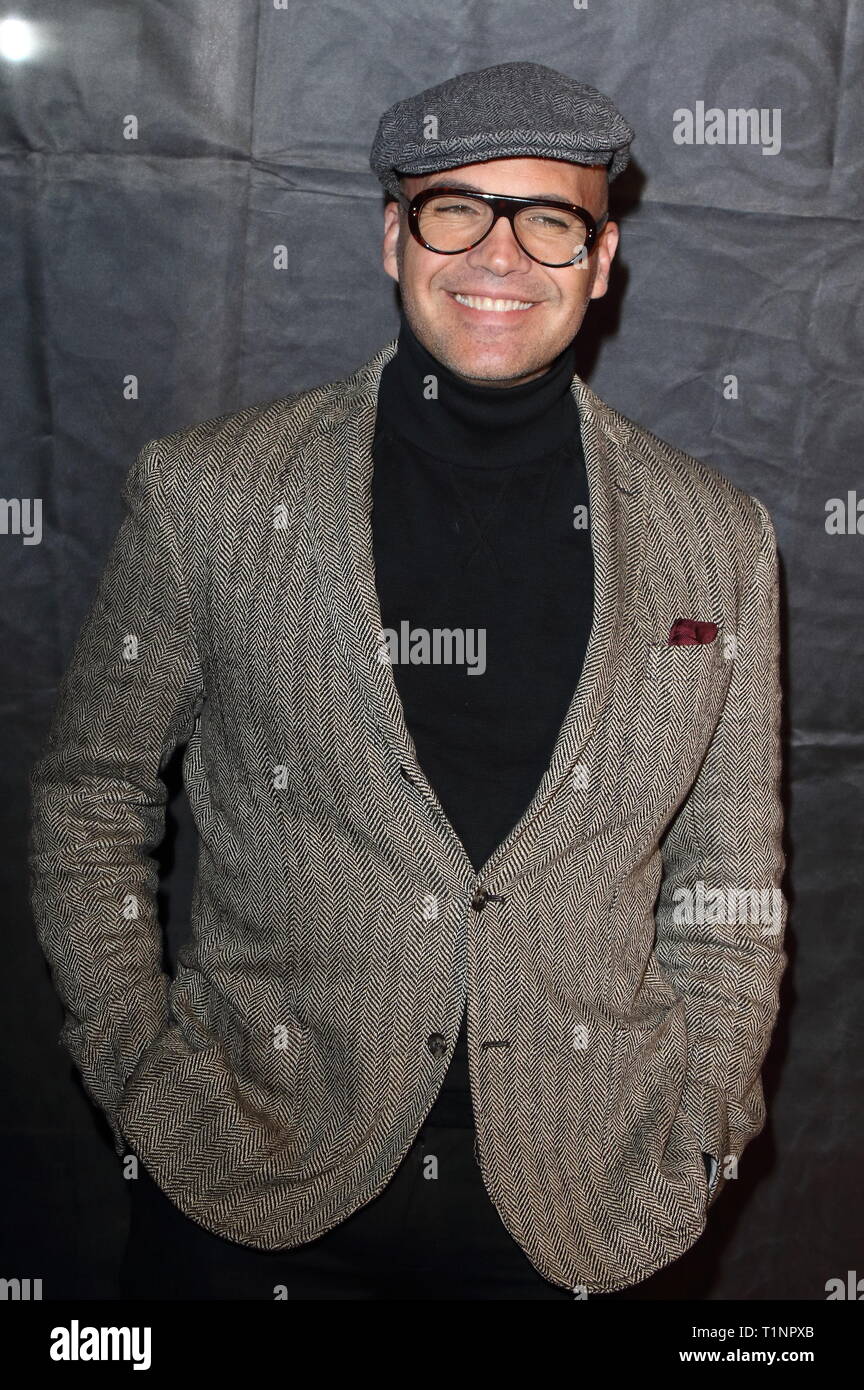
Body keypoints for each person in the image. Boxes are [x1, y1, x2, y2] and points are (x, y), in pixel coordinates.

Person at [29, 60, 787, 1300]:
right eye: (457, 209)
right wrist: (144, 1073)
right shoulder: (209, 495)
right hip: (250, 1186)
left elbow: (731, 877)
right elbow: (92, 799)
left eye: (549, 219)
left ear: (601, 261)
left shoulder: (720, 539)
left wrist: (699, 1123)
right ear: (395, 237)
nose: (500, 254)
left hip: (591, 1211)